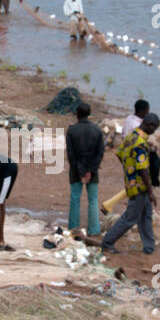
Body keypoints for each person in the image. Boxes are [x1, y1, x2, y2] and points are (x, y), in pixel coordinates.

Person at [101, 114, 160, 255]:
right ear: (149, 125)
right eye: (154, 128)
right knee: (131, 217)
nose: (154, 131)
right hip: (139, 186)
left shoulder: (131, 136)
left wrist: (129, 170)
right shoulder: (140, 143)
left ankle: (149, 247)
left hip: (132, 181)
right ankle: (107, 242)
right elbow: (143, 169)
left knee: (146, 215)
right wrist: (151, 191)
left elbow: (119, 153)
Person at [101, 99, 155, 214]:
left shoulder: (130, 118)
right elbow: (138, 141)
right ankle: (110, 204)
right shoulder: (137, 126)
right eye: (147, 111)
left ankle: (110, 204)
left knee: (133, 183)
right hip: (133, 155)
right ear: (143, 111)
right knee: (139, 184)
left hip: (126, 152)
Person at [66, 101, 104, 237]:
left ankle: (73, 228)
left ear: (77, 114)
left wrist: (80, 171)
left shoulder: (71, 130)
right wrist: (90, 171)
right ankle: (94, 230)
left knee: (75, 198)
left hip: (76, 169)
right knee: (93, 199)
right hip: (92, 170)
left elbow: (71, 154)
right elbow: (100, 153)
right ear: (89, 114)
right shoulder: (97, 130)